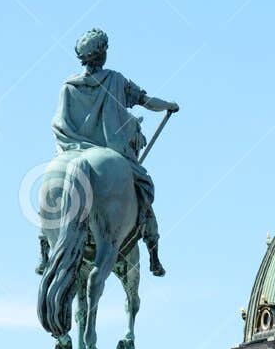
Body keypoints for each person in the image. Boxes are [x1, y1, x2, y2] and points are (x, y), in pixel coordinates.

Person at [47, 27, 178, 276]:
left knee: (55, 186)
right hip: (112, 151)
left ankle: (45, 248)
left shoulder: (67, 87)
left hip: (70, 151)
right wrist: (169, 106)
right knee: (144, 189)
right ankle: (153, 254)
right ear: (102, 54)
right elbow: (147, 101)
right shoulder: (115, 81)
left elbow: (60, 125)